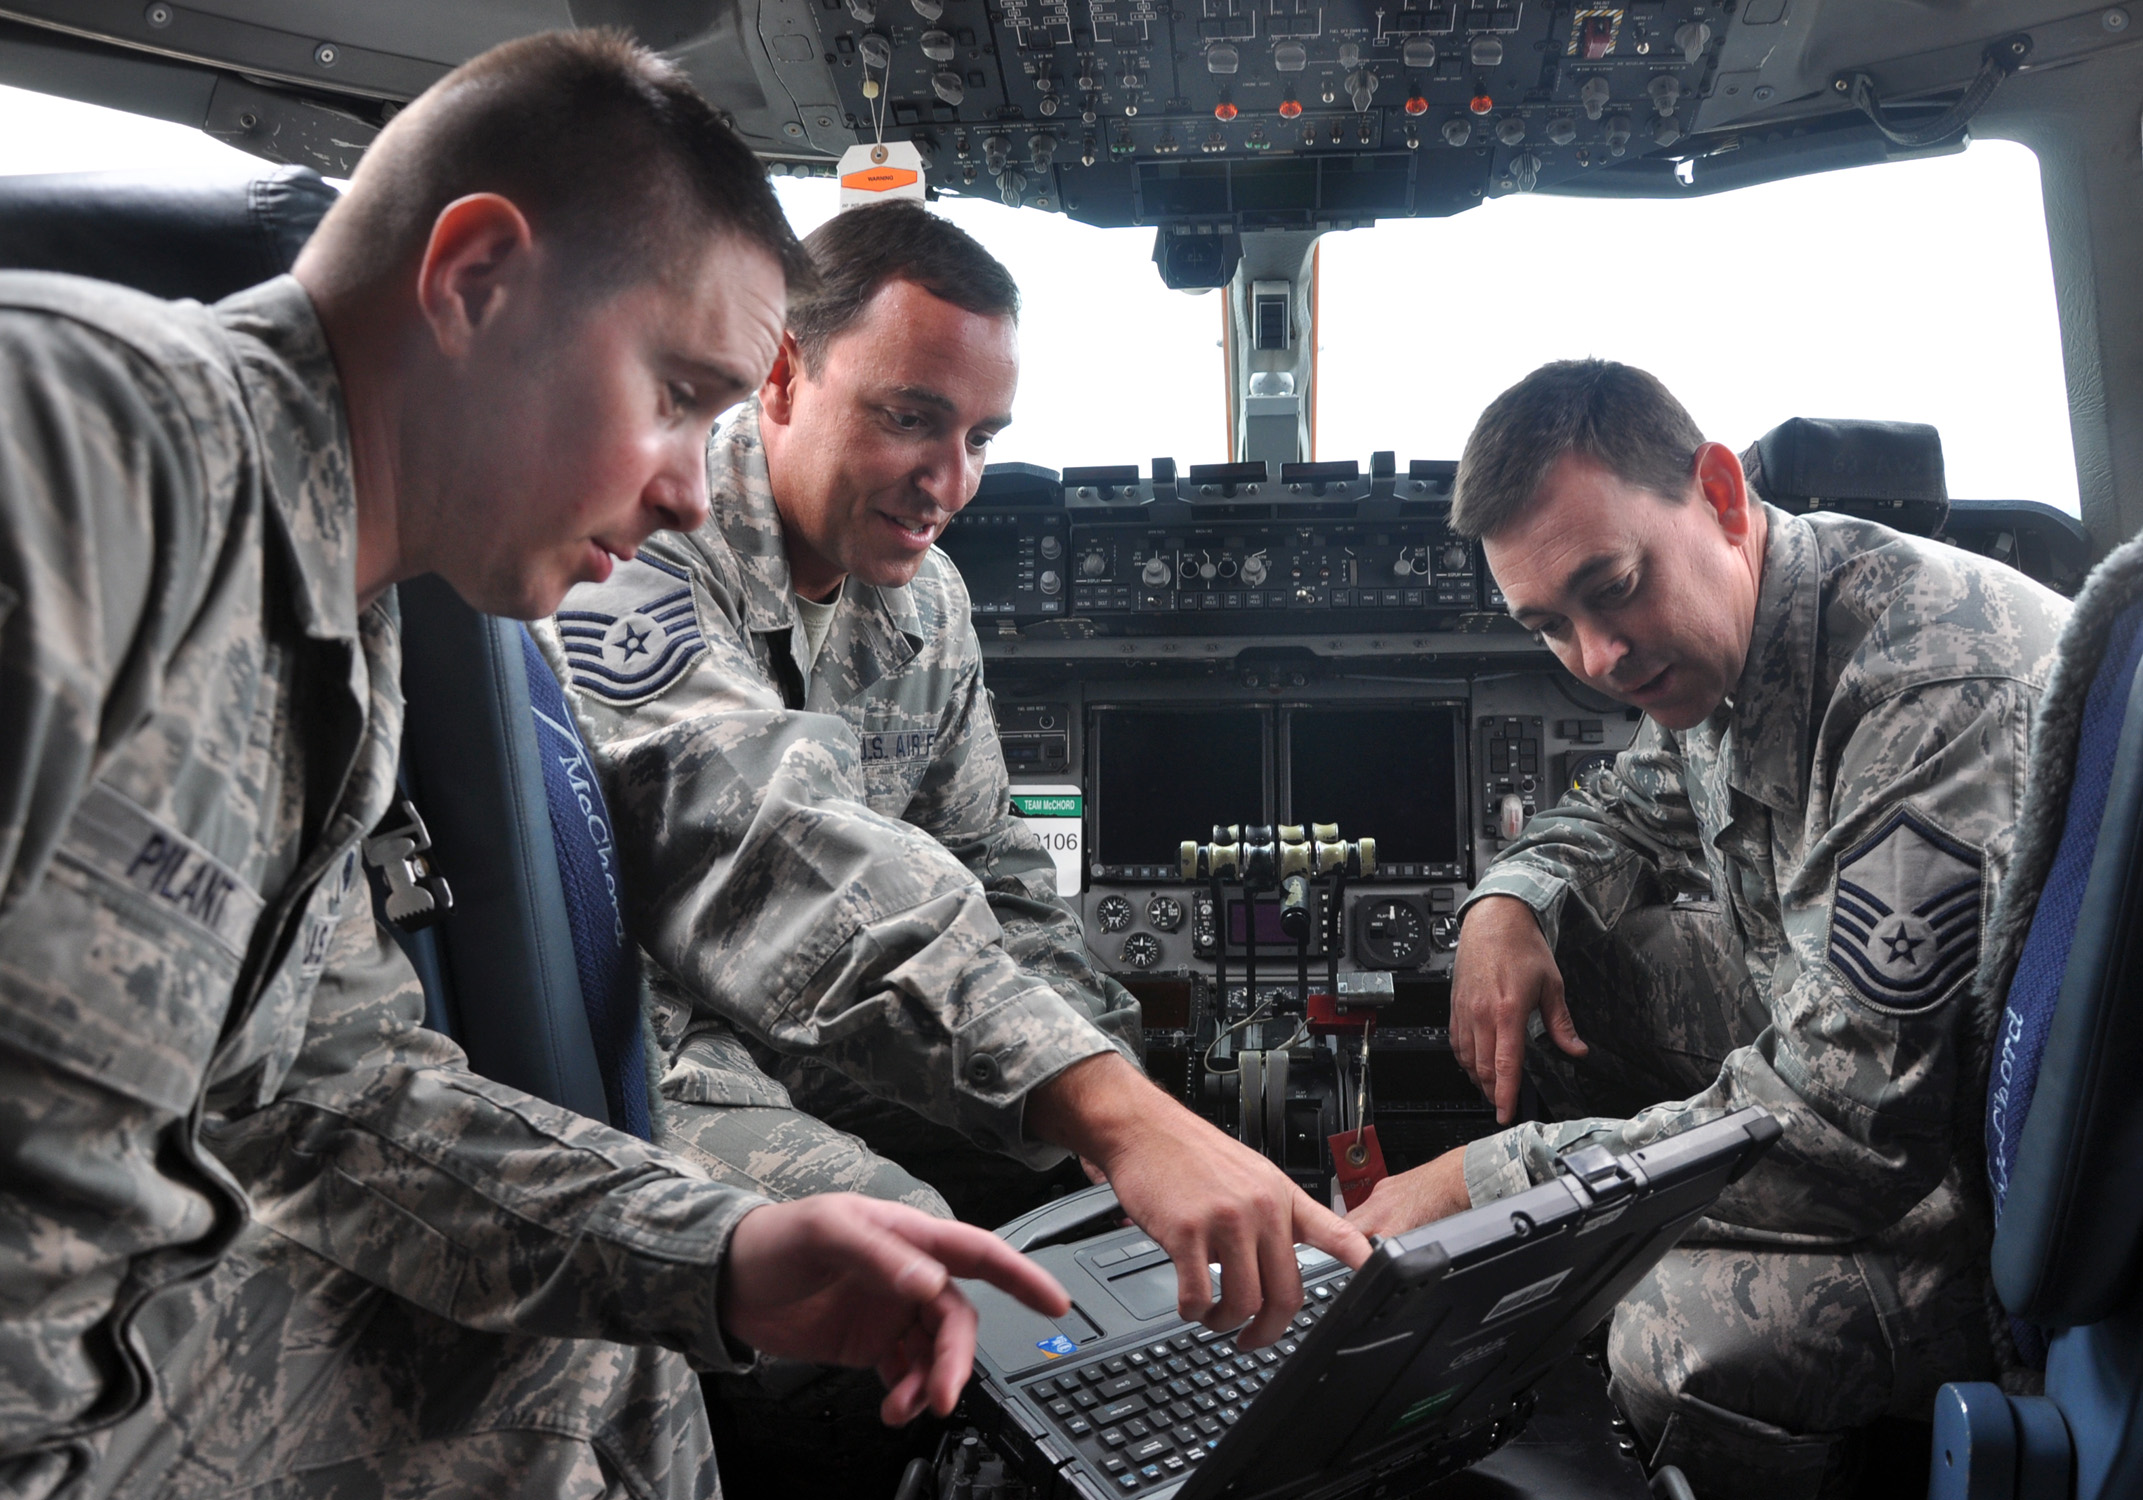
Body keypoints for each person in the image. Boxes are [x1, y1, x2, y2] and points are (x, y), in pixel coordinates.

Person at [0, 32, 1070, 1499]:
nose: (693, 486)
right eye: (681, 394)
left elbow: (323, 1091)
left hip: (115, 1348)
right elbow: (738, 822)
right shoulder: (69, 451)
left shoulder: (349, 635)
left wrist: (720, 1256)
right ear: (475, 281)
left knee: (614, 1390)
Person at [539, 200, 1368, 1349]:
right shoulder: (644, 543)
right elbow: (774, 852)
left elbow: (998, 870)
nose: (950, 481)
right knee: (919, 1254)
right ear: (781, 373)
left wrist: (1115, 1106)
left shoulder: (926, 604)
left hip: (828, 1033)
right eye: (911, 419)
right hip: (652, 1042)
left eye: (980, 437)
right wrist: (1112, 1113)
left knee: (1069, 1193)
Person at [1345, 360, 2069, 1500]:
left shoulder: (1927, 688)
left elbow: (1846, 1132)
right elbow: (1623, 807)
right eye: (1549, 627)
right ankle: (1610, 1240)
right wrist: (1508, 896)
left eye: (1613, 587)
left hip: (1995, 1197)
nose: (1596, 659)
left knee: (1663, 1334)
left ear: (1721, 496)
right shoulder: (1741, 636)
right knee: (1569, 962)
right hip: (1892, 1079)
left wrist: (1496, 1188)